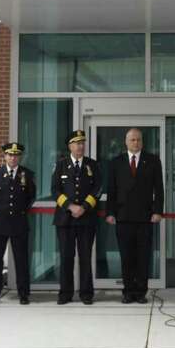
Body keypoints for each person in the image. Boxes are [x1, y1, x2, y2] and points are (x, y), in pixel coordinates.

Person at [105, 128, 164, 304]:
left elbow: (159, 189)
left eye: (138, 140)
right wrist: (110, 212)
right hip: (123, 217)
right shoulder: (116, 162)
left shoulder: (153, 160)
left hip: (145, 217)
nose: (136, 143)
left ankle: (141, 292)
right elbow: (111, 190)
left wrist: (157, 211)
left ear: (142, 142)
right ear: (126, 142)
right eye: (132, 140)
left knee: (143, 257)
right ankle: (127, 292)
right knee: (126, 257)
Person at [51, 129, 101, 305]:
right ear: (70, 146)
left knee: (86, 257)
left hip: (87, 219)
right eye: (77, 143)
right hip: (65, 219)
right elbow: (55, 190)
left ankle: (86, 293)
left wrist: (84, 207)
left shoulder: (92, 165)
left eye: (82, 143)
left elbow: (98, 189)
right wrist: (70, 206)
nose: (80, 146)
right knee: (66, 257)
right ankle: (65, 293)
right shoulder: (61, 165)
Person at [0, 141, 37, 305]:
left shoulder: (27, 174)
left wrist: (20, 210)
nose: (13, 158)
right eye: (10, 155)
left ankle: (24, 293)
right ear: (5, 156)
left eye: (16, 155)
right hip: (0, 223)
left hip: (19, 222)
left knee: (21, 260)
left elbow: (31, 197)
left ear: (19, 157)